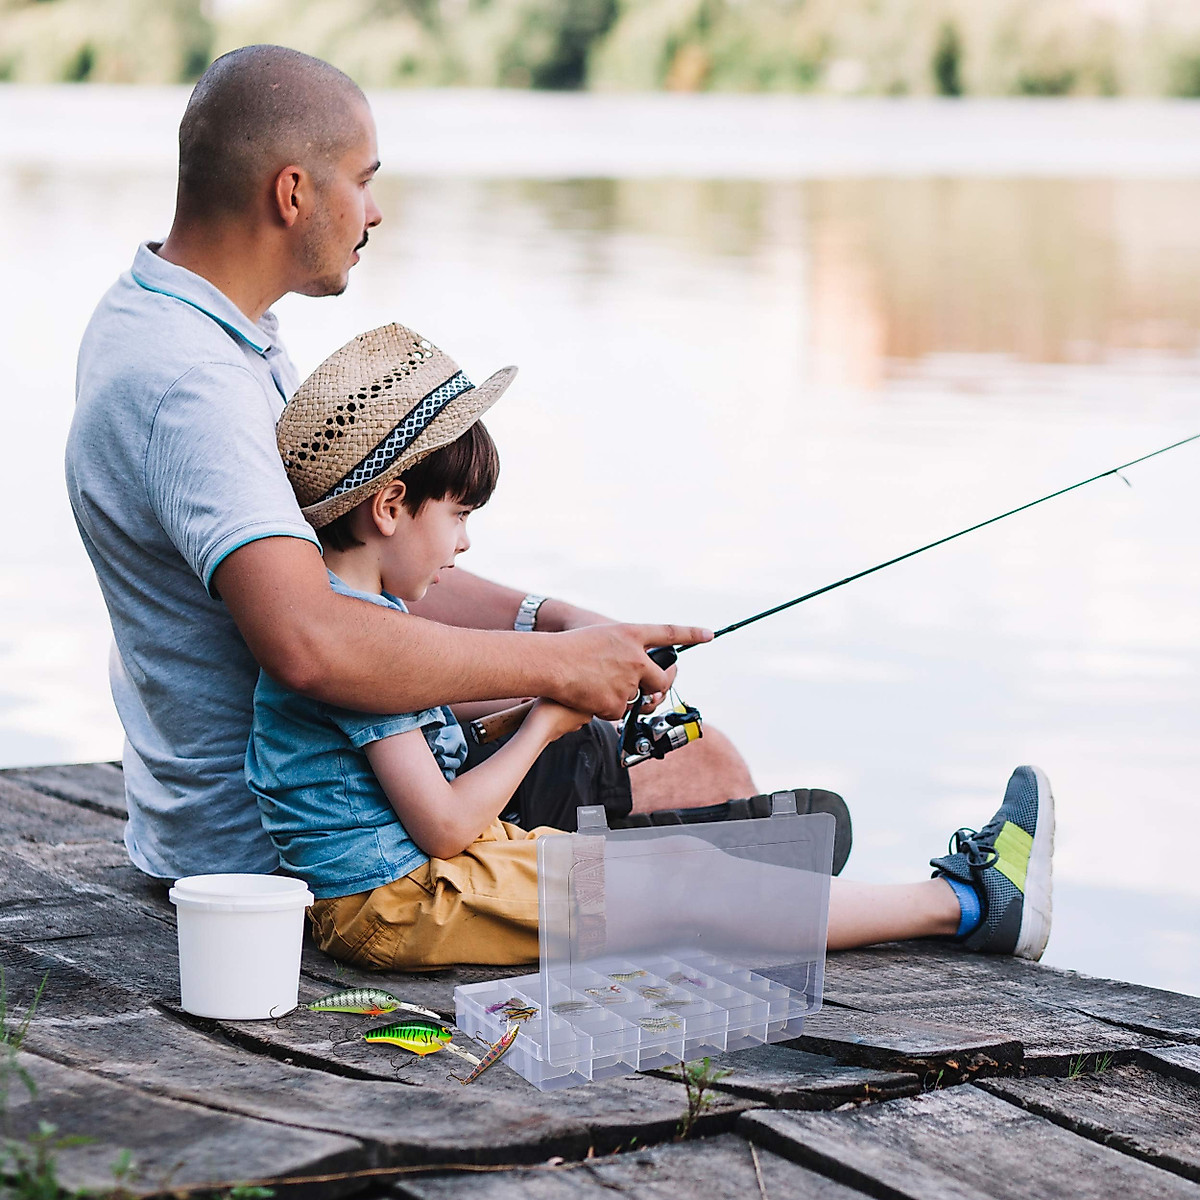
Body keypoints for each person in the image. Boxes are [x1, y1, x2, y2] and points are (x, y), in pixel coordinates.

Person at [65, 44, 785, 885]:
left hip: (328, 778)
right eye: (363, 179)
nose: (375, 212)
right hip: (299, 840)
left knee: (658, 745)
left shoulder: (183, 323)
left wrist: (559, 625)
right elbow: (312, 642)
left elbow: (350, 569)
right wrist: (559, 668)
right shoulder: (195, 385)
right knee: (707, 771)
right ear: (292, 193)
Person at [247, 322, 1056, 970]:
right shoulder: (367, 646)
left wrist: (550, 696)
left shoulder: (359, 615)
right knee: (687, 891)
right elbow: (445, 826)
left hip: (411, 890)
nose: (463, 544)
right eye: (458, 515)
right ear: (389, 506)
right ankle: (970, 905)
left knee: (669, 881)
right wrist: (544, 726)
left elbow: (427, 774)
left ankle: (861, 888)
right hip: (405, 904)